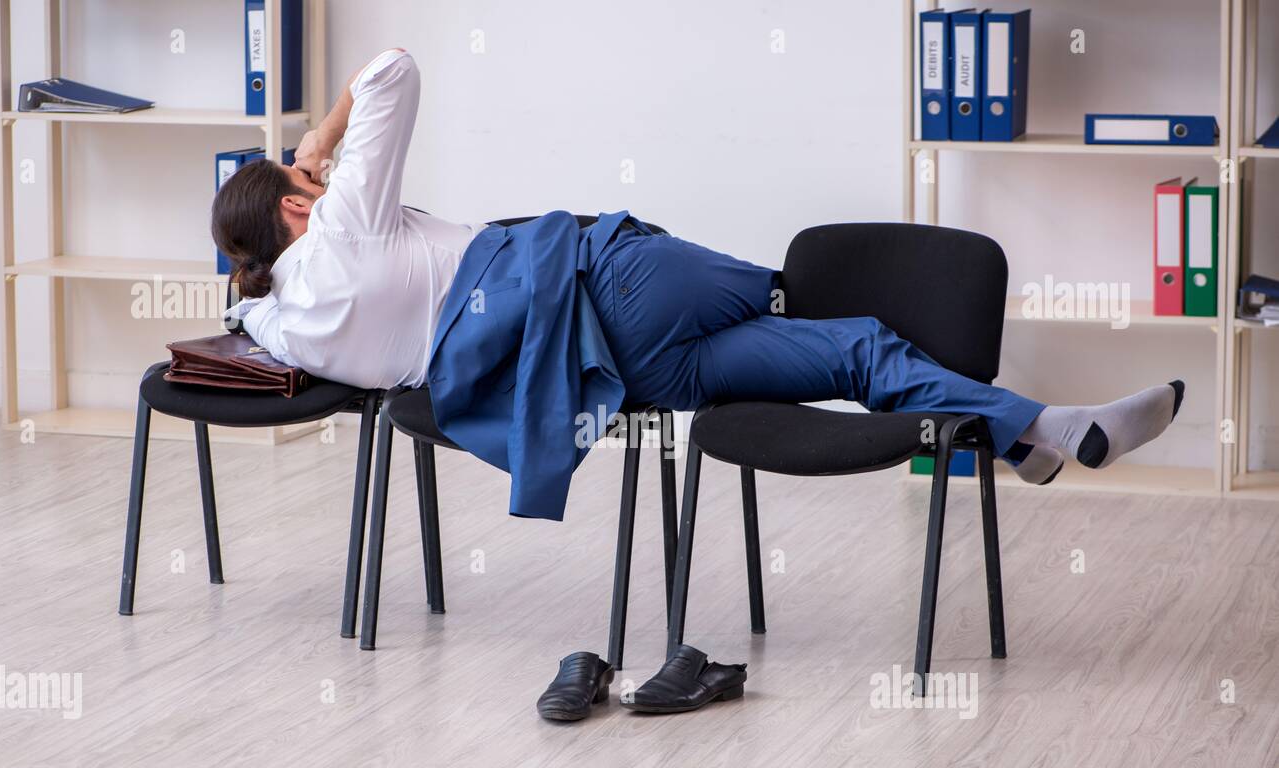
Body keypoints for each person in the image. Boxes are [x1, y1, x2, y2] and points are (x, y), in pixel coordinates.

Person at [212, 50, 1184, 719]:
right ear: (299, 205)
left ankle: (1040, 432)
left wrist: (260, 250)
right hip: (608, 288)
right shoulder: (343, 226)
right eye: (307, 185)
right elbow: (391, 71)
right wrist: (317, 147)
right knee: (784, 298)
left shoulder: (281, 323)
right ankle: (1028, 429)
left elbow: (245, 310)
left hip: (602, 373)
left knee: (849, 345)